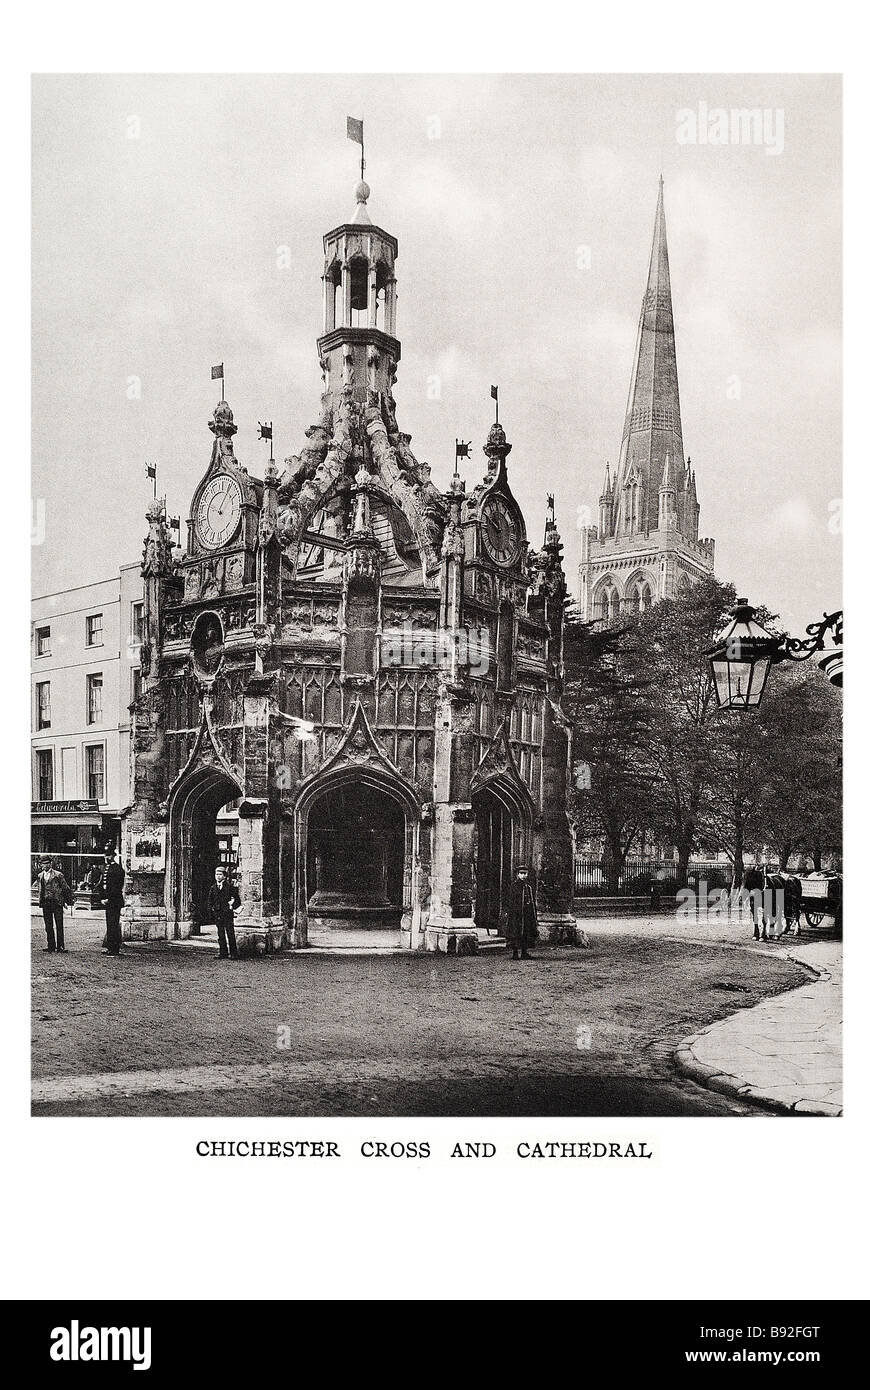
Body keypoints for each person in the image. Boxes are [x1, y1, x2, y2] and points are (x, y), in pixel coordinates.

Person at [35, 857, 73, 953]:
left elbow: (65, 888)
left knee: (59, 924)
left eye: (47, 863)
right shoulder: (40, 876)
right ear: (41, 865)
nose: (45, 865)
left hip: (56, 902)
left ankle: (60, 946)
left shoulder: (58, 875)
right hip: (46, 903)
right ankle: (51, 945)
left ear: (51, 864)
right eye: (43, 864)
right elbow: (40, 889)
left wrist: (66, 901)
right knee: (48, 925)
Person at [505, 865, 539, 961]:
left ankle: (524, 952)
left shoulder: (528, 887)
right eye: (521, 873)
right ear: (518, 874)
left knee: (526, 933)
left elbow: (531, 900)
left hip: (527, 914)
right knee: (515, 932)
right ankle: (515, 953)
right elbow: (511, 900)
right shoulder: (514, 886)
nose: (523, 876)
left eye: (525, 874)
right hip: (517, 914)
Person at [207, 866, 241, 960]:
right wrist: (211, 911)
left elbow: (237, 900)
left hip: (227, 914)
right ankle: (223, 953)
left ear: (224, 876)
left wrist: (232, 905)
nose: (218, 876)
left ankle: (233, 953)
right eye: (216, 874)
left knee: (230, 933)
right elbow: (210, 901)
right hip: (218, 914)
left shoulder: (229, 887)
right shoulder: (213, 888)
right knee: (220, 934)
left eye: (220, 874)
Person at [99, 848, 125, 956]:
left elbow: (116, 887)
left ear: (113, 856)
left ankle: (114, 948)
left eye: (108, 856)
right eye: (105, 856)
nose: (106, 858)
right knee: (109, 924)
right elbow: (102, 885)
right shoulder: (106, 868)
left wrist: (109, 898)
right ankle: (110, 947)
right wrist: (102, 897)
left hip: (114, 901)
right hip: (108, 901)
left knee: (114, 924)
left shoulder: (117, 869)